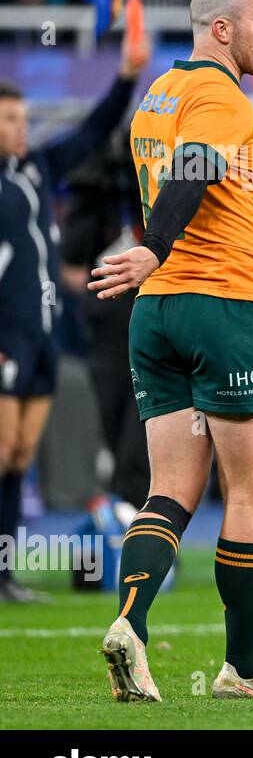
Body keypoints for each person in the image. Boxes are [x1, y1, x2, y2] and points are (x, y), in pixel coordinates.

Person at [90, 0, 253, 701]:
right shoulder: (220, 95)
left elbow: (205, 192)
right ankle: (241, 670)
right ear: (222, 28)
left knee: (170, 491)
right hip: (227, 310)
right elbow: (196, 169)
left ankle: (130, 625)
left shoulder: (159, 95)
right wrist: (154, 244)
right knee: (251, 496)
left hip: (160, 313)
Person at [0, 35, 148, 604]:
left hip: (41, 334)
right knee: (2, 450)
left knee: (18, 456)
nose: (21, 126)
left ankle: (6, 573)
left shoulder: (36, 165)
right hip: (6, 336)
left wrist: (126, 77)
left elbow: (91, 130)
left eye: (22, 116)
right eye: (10, 118)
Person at [62, 128, 152, 517]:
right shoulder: (96, 198)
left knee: (142, 439)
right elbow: (74, 250)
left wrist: (136, 181)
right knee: (115, 432)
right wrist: (93, 187)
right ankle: (129, 525)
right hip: (106, 331)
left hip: (152, 328)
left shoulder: (154, 190)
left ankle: (145, 527)